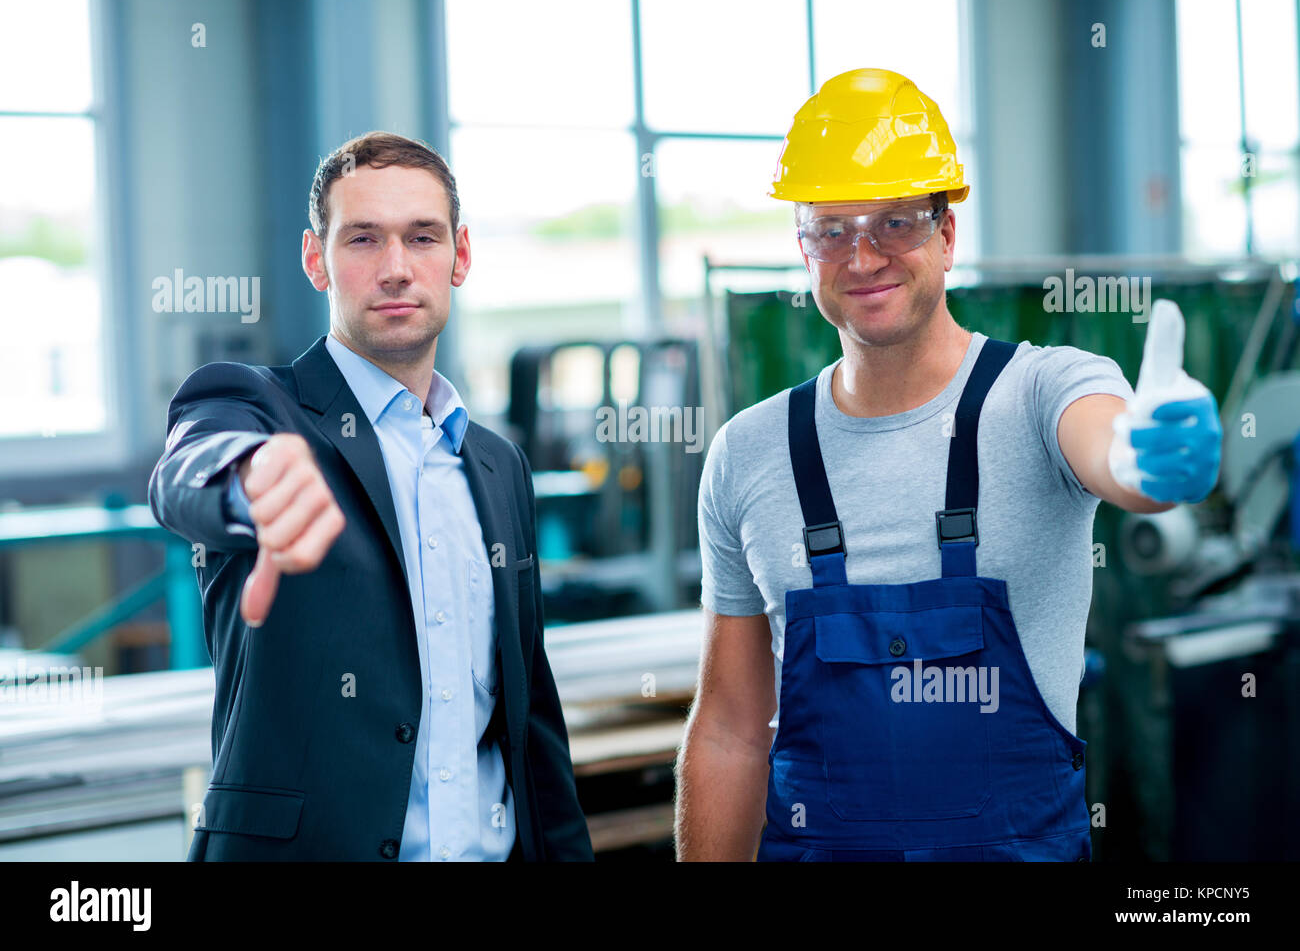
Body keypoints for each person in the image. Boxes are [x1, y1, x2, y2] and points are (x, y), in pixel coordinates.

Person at [674, 69, 1222, 861]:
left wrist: (1148, 455)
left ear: (947, 235)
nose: (863, 256)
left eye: (896, 221)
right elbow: (727, 729)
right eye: (832, 228)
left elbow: (1110, 448)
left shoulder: (1042, 390)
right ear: (803, 246)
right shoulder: (748, 453)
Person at [149, 131, 593, 861]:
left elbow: (531, 722)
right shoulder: (256, 409)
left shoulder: (496, 465)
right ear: (316, 260)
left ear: (462, 256)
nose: (396, 269)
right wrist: (249, 476)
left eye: (422, 237)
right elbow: (187, 469)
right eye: (362, 239)